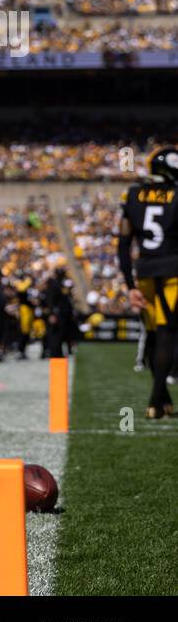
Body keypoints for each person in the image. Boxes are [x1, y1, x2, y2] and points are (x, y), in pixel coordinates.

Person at [117, 146, 178, 419]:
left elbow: (123, 243)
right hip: (173, 269)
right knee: (167, 333)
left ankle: (161, 400)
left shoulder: (132, 193)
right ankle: (155, 399)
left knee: (152, 332)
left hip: (144, 271)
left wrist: (130, 285)